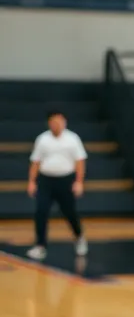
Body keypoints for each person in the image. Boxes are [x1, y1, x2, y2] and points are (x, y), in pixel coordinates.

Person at [27, 109, 88, 260]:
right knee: (41, 211)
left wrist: (79, 182)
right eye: (54, 121)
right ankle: (40, 245)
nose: (57, 124)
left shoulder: (73, 139)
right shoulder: (42, 139)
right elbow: (35, 162)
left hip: (65, 180)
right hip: (46, 180)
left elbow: (80, 161)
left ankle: (79, 237)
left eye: (60, 121)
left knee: (69, 212)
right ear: (49, 123)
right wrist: (32, 182)